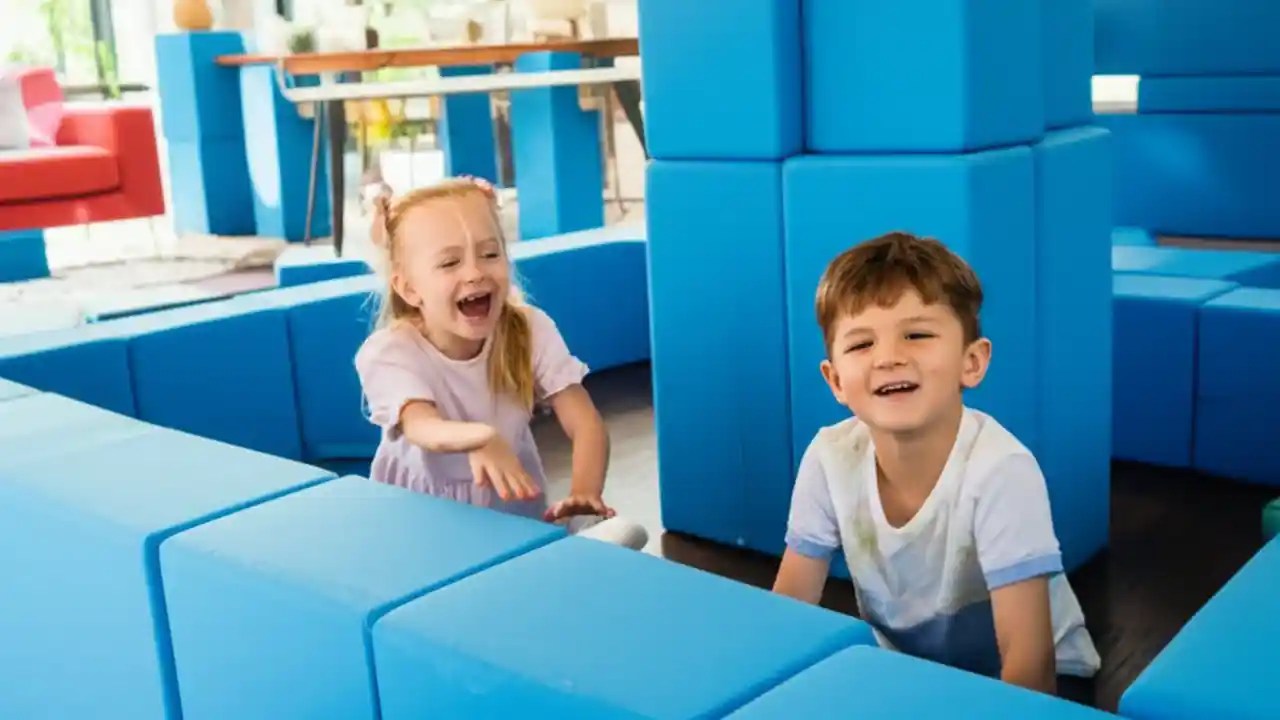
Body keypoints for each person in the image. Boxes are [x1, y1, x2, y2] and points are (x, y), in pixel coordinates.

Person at [772, 231, 1100, 696]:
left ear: (972, 362)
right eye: (861, 344)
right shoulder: (830, 457)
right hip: (909, 667)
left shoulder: (1002, 470)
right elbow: (791, 605)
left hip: (1037, 680)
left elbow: (1031, 660)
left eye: (918, 334)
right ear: (836, 381)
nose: (889, 357)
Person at [354, 176, 647, 550]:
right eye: (450, 262)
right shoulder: (390, 352)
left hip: (511, 506)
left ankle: (583, 542)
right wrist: (479, 437)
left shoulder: (529, 330)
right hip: (421, 520)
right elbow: (421, 426)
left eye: (490, 254)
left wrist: (583, 498)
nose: (475, 272)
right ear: (410, 288)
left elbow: (586, 424)